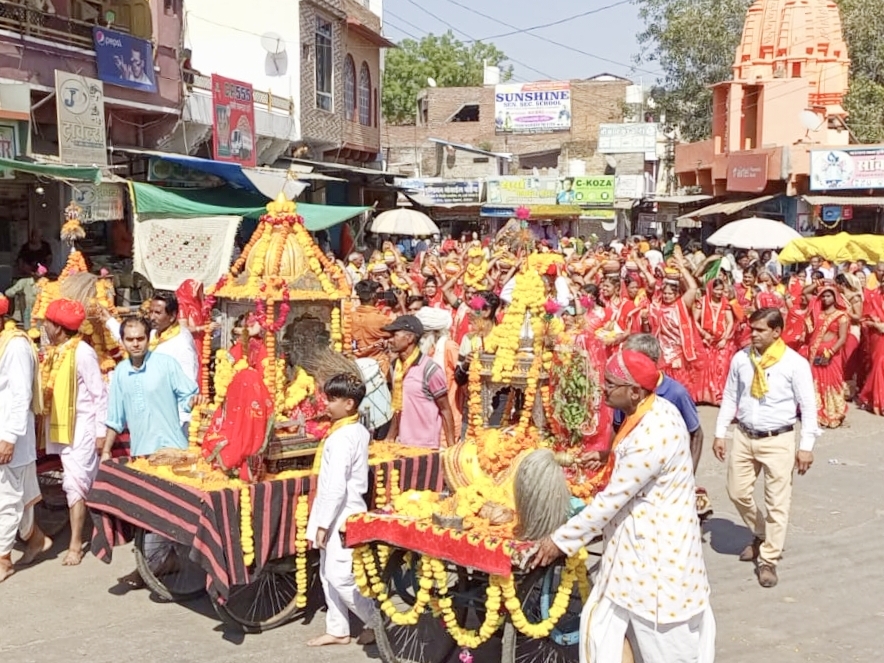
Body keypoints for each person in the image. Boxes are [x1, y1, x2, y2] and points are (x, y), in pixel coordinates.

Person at [531, 350, 715, 663]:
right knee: (601, 634)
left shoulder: (653, 433)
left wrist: (558, 541)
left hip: (657, 568)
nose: (603, 389)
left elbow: (610, 502)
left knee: (667, 650)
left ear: (634, 391)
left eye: (610, 384)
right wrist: (608, 457)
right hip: (628, 561)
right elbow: (637, 465)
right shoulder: (654, 410)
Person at [712, 308, 819, 588]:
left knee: (777, 503)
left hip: (779, 439)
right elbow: (730, 396)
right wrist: (720, 432)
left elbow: (808, 407)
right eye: (752, 329)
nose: (753, 334)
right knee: (737, 491)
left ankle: (769, 557)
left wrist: (806, 446)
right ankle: (761, 533)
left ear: (776, 331)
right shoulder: (741, 359)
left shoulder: (794, 363)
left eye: (760, 330)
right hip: (745, 436)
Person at [306, 374, 377, 646]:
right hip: (337, 509)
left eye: (332, 399)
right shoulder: (354, 429)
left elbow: (336, 487)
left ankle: (375, 619)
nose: (327, 403)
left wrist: (323, 524)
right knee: (327, 573)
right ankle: (338, 628)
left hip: (341, 514)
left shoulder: (342, 437)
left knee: (339, 575)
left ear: (349, 404)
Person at [41, 299, 107, 566]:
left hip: (82, 428)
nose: (43, 326)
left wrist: (100, 432)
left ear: (58, 328)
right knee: (76, 483)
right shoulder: (57, 351)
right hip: (63, 428)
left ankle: (75, 544)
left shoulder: (82, 353)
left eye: (47, 322)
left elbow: (99, 394)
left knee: (75, 484)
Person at [0, 295, 51, 582]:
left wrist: (8, 438)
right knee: (20, 494)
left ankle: (4, 559)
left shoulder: (15, 345)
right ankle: (35, 539)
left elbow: (21, 395)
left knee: (7, 497)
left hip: (12, 436)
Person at [383, 315, 455, 449]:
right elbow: (398, 408)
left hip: (426, 447)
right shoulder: (394, 367)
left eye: (394, 335)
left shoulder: (430, 369)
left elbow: (445, 409)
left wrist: (451, 449)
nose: (390, 340)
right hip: (402, 445)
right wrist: (390, 438)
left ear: (409, 338)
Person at [415, 306, 461, 442]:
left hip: (447, 418)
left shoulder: (449, 347)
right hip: (424, 418)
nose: (420, 338)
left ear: (433, 333)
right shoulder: (422, 350)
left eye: (423, 334)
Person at [806, 284, 849, 428]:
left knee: (832, 382)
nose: (825, 298)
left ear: (835, 297)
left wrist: (830, 352)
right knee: (817, 381)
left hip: (831, 353)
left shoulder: (841, 316)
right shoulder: (819, 314)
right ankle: (819, 413)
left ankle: (834, 413)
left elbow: (842, 338)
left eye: (828, 295)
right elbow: (805, 294)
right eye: (823, 296)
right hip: (816, 352)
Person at [693, 278, 735, 405]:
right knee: (705, 367)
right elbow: (694, 320)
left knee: (720, 367)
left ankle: (718, 396)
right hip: (706, 340)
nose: (719, 292)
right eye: (716, 289)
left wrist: (725, 338)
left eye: (721, 290)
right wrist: (704, 334)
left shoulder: (726, 303)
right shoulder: (702, 302)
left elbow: (730, 322)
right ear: (711, 289)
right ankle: (704, 396)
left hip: (721, 340)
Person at [351, 280, 393, 376]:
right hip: (377, 367)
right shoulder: (380, 319)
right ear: (374, 296)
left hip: (356, 366)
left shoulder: (350, 317)